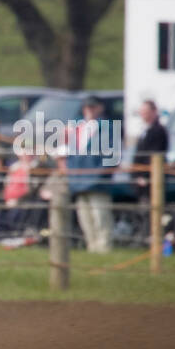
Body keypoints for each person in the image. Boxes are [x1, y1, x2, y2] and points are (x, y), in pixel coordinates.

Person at [65, 95, 115, 253]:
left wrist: (100, 174)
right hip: (78, 181)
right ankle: (91, 247)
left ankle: (104, 248)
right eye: (87, 107)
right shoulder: (78, 128)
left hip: (97, 181)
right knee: (85, 218)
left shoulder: (107, 127)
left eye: (92, 107)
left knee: (100, 216)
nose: (89, 111)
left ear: (100, 108)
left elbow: (111, 155)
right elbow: (71, 154)